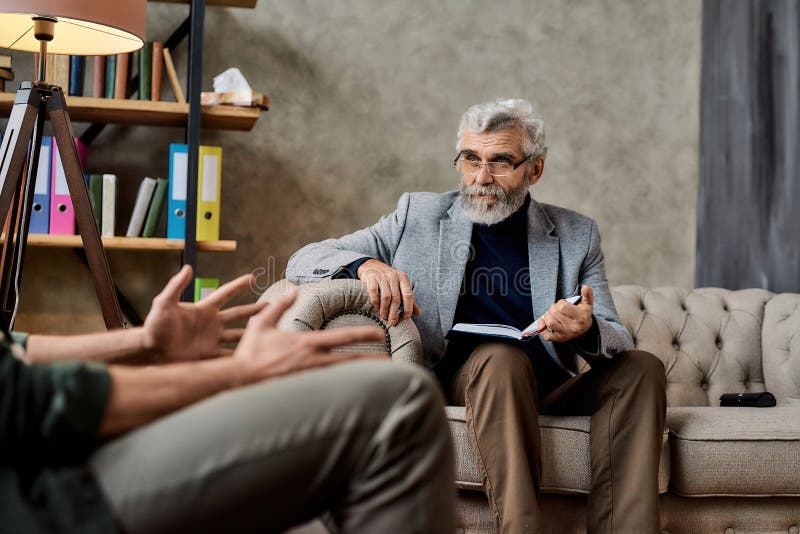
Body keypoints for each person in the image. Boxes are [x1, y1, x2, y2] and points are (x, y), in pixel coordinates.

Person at [287, 98, 667, 533]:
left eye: (500, 162)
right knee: (499, 358)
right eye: (471, 159)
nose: (481, 178)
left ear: (534, 169)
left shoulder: (577, 234)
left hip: (547, 383)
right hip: (467, 381)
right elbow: (304, 258)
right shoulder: (418, 215)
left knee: (642, 367)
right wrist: (365, 265)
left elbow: (617, 337)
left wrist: (587, 329)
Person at [1, 265, 455, 533]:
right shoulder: (414, 211)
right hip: (37, 495)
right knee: (398, 401)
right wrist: (241, 371)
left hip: (43, 457)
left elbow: (12, 352)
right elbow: (22, 398)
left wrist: (146, 344)